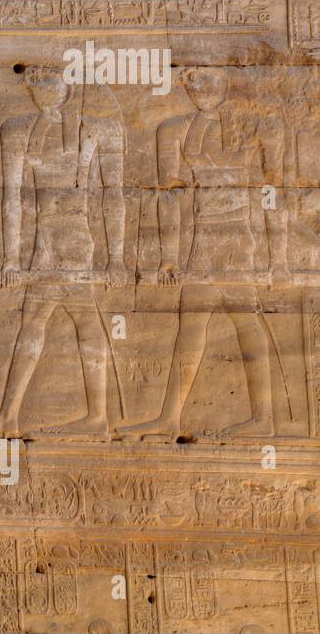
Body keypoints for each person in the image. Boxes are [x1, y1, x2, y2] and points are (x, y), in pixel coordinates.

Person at [0, 67, 125, 436]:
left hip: (74, 238)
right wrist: (10, 259)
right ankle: (14, 415)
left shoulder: (96, 129)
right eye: (36, 83)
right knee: (38, 323)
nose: (43, 89)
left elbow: (113, 195)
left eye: (51, 82)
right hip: (46, 241)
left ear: (67, 90)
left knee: (68, 321)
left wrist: (116, 257)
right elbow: (13, 198)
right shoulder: (17, 130)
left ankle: (91, 417)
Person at [122, 68, 285, 437]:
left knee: (246, 324)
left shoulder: (258, 126)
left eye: (210, 79)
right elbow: (170, 194)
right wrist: (169, 256)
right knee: (191, 327)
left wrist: (278, 259)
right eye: (193, 80)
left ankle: (263, 418)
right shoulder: (174, 129)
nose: (201, 88)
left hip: (237, 242)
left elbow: (274, 193)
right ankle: (170, 417)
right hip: (203, 244)